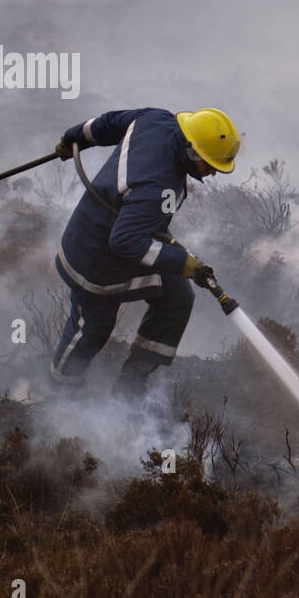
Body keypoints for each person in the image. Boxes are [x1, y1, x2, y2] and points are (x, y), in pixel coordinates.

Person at [47, 107, 240, 397]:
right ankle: (60, 392)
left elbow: (107, 124)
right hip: (95, 255)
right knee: (92, 329)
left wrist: (73, 137)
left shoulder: (155, 119)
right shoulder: (158, 185)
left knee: (177, 298)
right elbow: (124, 241)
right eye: (209, 164)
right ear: (190, 150)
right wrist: (183, 263)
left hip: (132, 231)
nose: (212, 173)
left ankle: (131, 385)